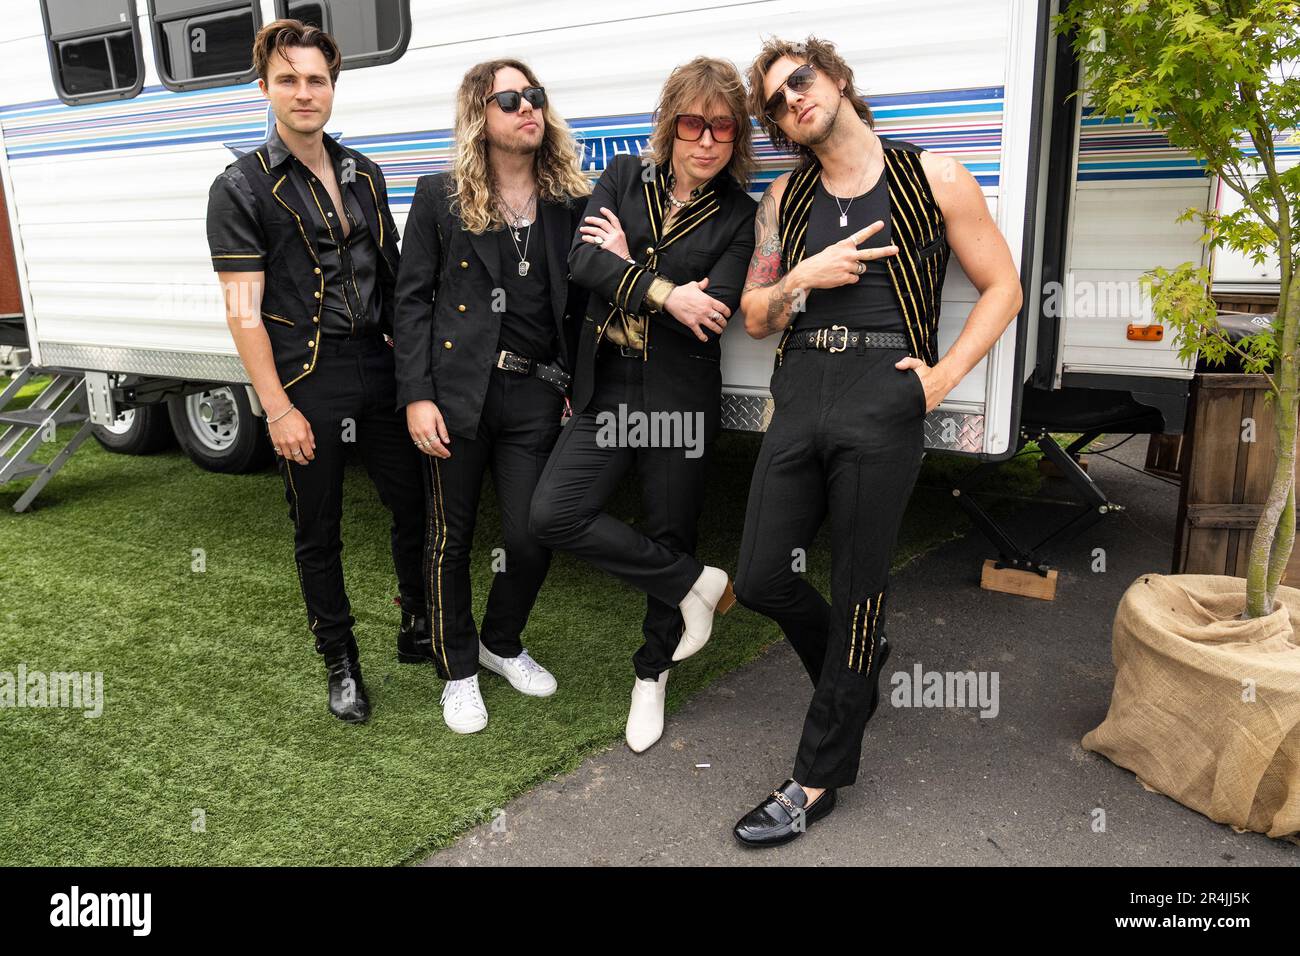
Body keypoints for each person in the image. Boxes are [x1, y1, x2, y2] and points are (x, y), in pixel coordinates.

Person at [731, 36, 1023, 846]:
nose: (793, 99)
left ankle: (815, 778)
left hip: (883, 396)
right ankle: (857, 671)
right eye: (778, 100)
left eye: (802, 80)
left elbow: (1005, 286)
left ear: (836, 80)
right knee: (760, 576)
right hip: (799, 394)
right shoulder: (784, 201)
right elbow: (755, 317)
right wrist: (799, 276)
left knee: (860, 587)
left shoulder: (933, 175)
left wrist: (940, 378)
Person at [529, 57, 758, 753]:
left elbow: (712, 311)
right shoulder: (625, 176)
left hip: (679, 395)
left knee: (669, 530)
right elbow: (582, 264)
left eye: (724, 126)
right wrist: (663, 289)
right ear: (671, 124)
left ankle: (650, 676)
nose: (707, 139)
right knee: (554, 513)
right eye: (694, 122)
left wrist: (627, 270)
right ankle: (701, 584)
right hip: (610, 386)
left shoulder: (740, 215)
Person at [206, 19, 425, 724]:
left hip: (379, 363)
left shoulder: (363, 170)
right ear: (265, 86)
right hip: (308, 375)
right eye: (289, 80)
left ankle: (419, 621)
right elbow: (244, 311)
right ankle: (341, 662)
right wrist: (276, 408)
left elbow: (388, 271)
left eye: (317, 79)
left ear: (334, 85)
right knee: (317, 527)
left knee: (417, 503)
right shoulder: (240, 187)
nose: (305, 93)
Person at [393, 59, 590, 733]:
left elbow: (582, 305)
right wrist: (417, 396)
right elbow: (411, 302)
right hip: (457, 395)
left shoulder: (568, 203)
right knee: (450, 537)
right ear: (480, 113)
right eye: (510, 99)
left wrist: (574, 384)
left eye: (534, 95)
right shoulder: (439, 198)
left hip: (537, 393)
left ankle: (500, 642)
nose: (528, 107)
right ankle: (457, 671)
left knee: (535, 531)